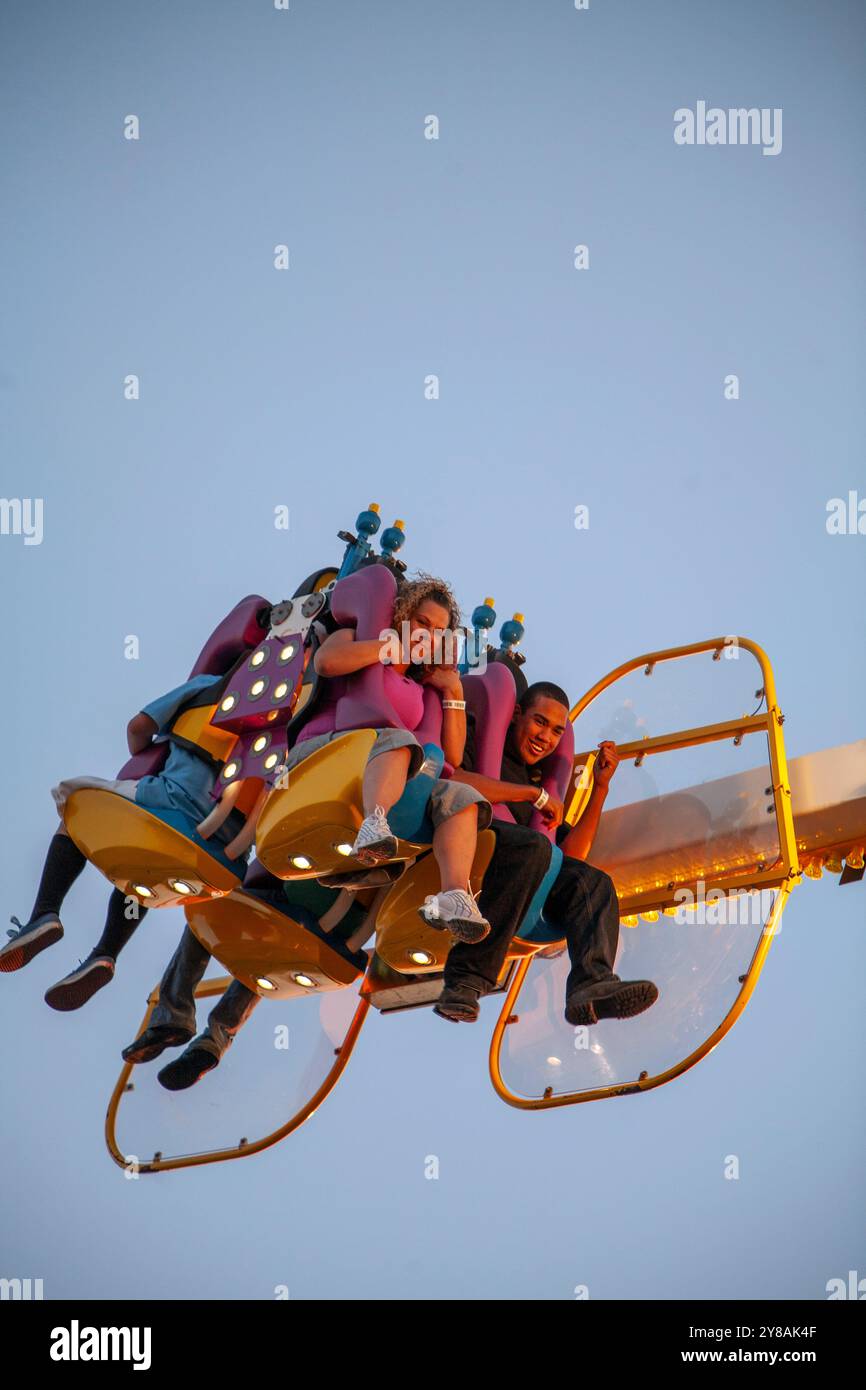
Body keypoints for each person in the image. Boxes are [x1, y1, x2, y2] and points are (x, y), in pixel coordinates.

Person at [1, 669, 250, 1010]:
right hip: (228, 849)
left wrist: (160, 749)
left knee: (76, 804)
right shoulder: (295, 719)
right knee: (145, 865)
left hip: (171, 802)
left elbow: (138, 730)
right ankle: (106, 952)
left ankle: (45, 912)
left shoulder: (211, 686)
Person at [436, 680, 659, 1026]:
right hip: (471, 841)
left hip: (526, 867)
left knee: (593, 882)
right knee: (533, 846)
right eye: (539, 722)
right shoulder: (479, 739)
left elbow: (569, 855)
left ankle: (591, 984)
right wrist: (529, 795)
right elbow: (455, 780)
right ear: (515, 714)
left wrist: (600, 789)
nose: (546, 737)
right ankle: (464, 981)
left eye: (556, 731)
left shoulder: (540, 780)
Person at [288, 573, 492, 942]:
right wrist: (390, 648)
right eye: (421, 623)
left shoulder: (419, 686)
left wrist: (453, 689)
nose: (426, 635)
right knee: (400, 740)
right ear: (402, 617)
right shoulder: (360, 639)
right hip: (324, 755)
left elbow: (455, 756)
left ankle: (454, 895)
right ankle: (374, 822)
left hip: (388, 761)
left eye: (437, 631)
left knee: (463, 798)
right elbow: (326, 663)